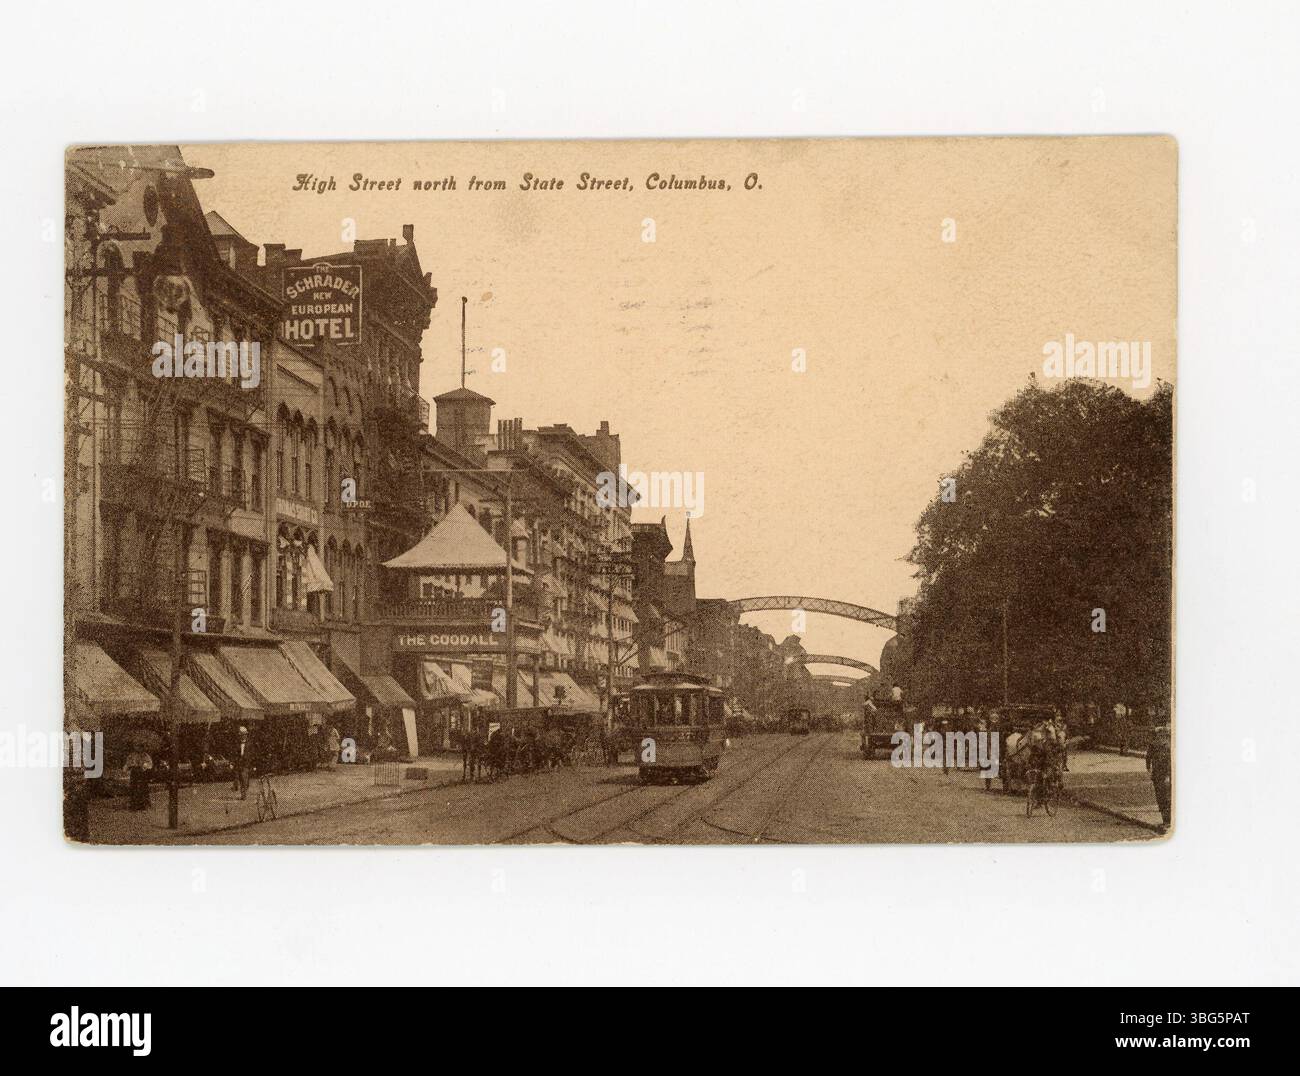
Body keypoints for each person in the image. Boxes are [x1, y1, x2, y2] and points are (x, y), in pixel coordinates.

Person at [1146, 721, 1172, 830]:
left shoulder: (1156, 745)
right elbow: (1148, 758)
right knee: (1164, 797)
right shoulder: (1167, 745)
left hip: (1161, 775)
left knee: (1163, 798)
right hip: (1161, 775)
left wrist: (1149, 768)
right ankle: (1166, 820)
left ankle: (1167, 820)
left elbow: (1148, 758)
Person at [232, 726, 252, 801]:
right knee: (240, 779)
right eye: (241, 735)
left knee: (244, 779)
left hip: (246, 764)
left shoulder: (249, 743)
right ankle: (243, 794)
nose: (243, 736)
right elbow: (236, 753)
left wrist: (249, 762)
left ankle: (244, 792)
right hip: (239, 763)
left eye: (244, 734)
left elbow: (251, 754)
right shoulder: (238, 743)